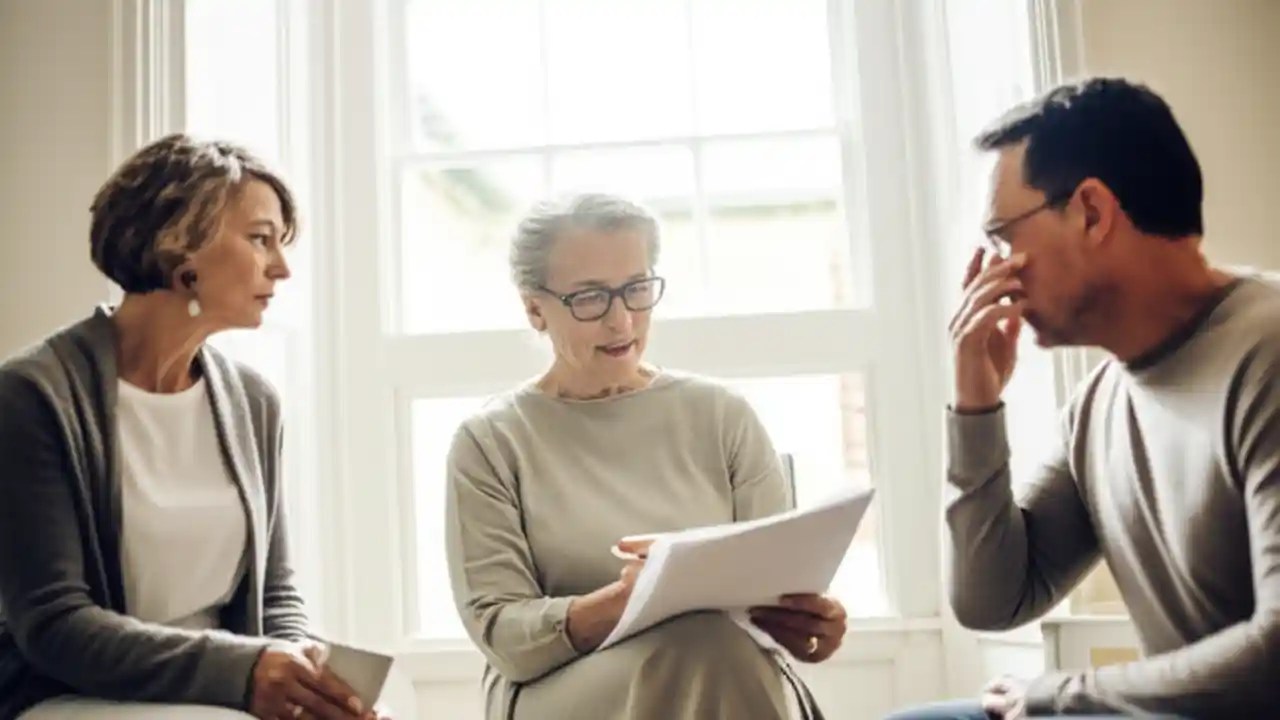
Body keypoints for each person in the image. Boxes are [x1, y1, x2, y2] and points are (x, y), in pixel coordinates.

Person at [888, 77, 1280, 719]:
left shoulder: (1268, 352)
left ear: (1092, 212)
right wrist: (975, 408)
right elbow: (991, 601)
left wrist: (1059, 698)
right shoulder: (1098, 404)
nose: (993, 274)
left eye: (1003, 238)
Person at [0, 134, 387, 720]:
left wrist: (303, 674)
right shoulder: (32, 396)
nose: (281, 268)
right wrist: (246, 668)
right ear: (178, 243)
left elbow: (274, 595)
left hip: (216, 692)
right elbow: (55, 625)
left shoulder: (254, 402)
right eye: (260, 239)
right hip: (68, 695)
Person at [444, 193, 850, 720]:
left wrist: (813, 624)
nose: (622, 321)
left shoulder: (722, 416)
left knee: (717, 650)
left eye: (636, 289)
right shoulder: (490, 442)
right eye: (590, 298)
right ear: (534, 308)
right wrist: (630, 598)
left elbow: (775, 597)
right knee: (709, 649)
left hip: (726, 668)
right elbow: (503, 635)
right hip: (559, 686)